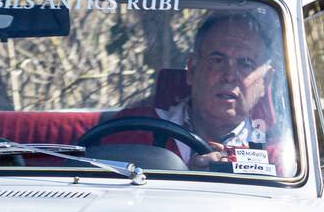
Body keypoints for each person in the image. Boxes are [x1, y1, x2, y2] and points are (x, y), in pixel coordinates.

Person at [117, 11, 284, 175]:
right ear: (191, 69)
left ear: (265, 81)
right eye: (217, 60)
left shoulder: (277, 157)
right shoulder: (132, 131)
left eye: (245, 64)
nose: (230, 76)